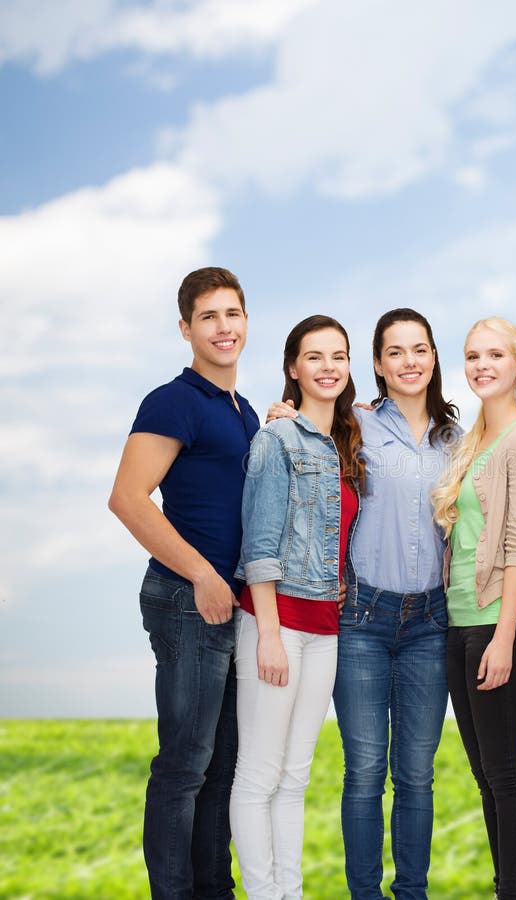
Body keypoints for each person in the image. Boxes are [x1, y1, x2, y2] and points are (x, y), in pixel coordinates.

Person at [269, 308, 459, 900]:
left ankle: (412, 892)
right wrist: (282, 415)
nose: (409, 362)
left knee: (417, 776)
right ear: (377, 365)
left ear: (433, 357)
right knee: (366, 772)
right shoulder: (351, 423)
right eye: (395, 352)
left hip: (431, 621)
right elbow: (299, 447)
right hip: (362, 622)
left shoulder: (457, 438)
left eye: (420, 349)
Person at [108, 266, 259, 899]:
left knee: (223, 766)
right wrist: (200, 573)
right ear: (185, 328)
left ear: (246, 320)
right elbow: (128, 499)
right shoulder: (172, 400)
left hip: (231, 602)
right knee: (184, 768)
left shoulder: (242, 409)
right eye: (209, 317)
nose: (223, 328)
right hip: (186, 599)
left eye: (233, 314)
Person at [230, 315, 364, 900]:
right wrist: (267, 634)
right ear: (293, 368)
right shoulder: (275, 440)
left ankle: (291, 892)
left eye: (338, 355)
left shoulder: (347, 443)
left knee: (295, 776)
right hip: (275, 622)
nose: (328, 366)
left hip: (326, 628)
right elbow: (259, 543)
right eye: (315, 356)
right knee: (258, 774)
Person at [433, 318, 516, 900]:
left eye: (496, 355)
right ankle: (507, 885)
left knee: (506, 774)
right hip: (459, 625)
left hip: (499, 624)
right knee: (485, 776)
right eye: (474, 355)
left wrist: (503, 638)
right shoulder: (472, 441)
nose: (482, 365)